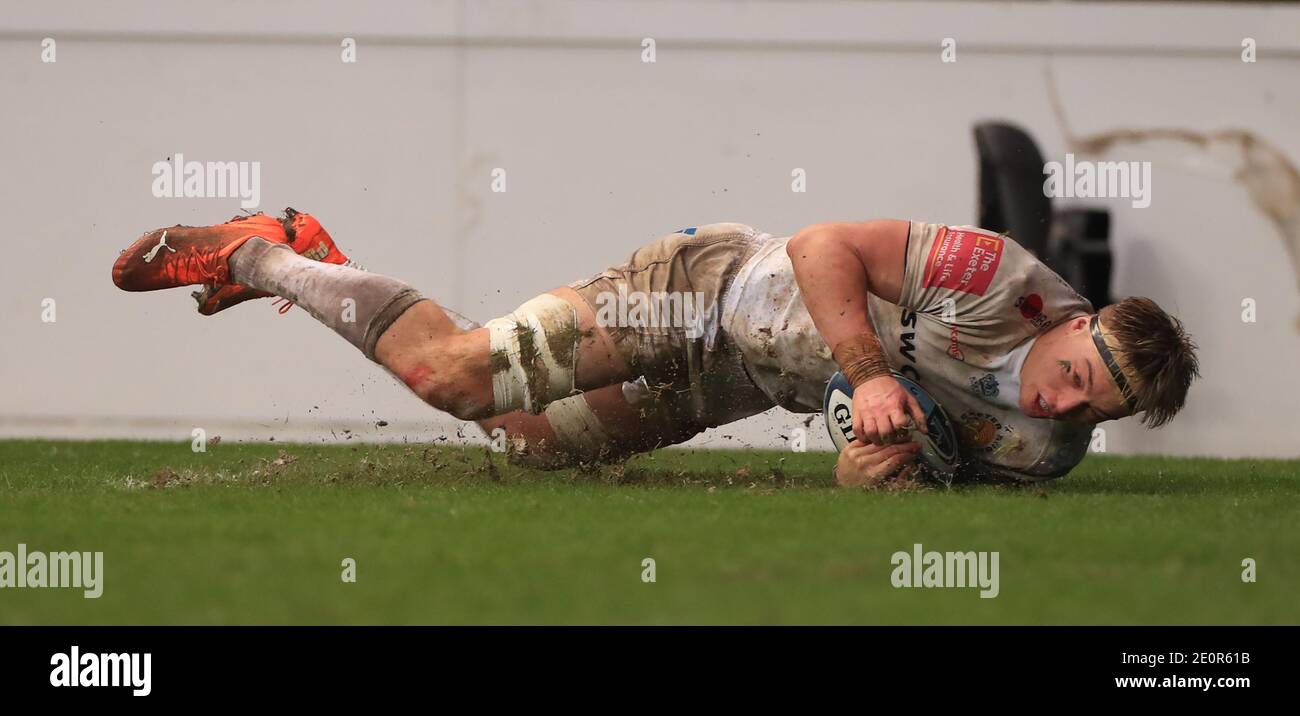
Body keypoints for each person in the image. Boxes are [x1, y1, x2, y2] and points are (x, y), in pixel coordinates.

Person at [111, 210, 1199, 485]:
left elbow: (921, 467)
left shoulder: (1044, 451)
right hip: (707, 290)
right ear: (1069, 317)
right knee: (452, 376)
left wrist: (872, 475)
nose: (1060, 406)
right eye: (1074, 375)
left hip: (743, 372)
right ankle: (268, 254)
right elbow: (824, 246)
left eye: (1090, 411)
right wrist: (867, 374)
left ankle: (305, 257)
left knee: (525, 445)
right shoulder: (993, 275)